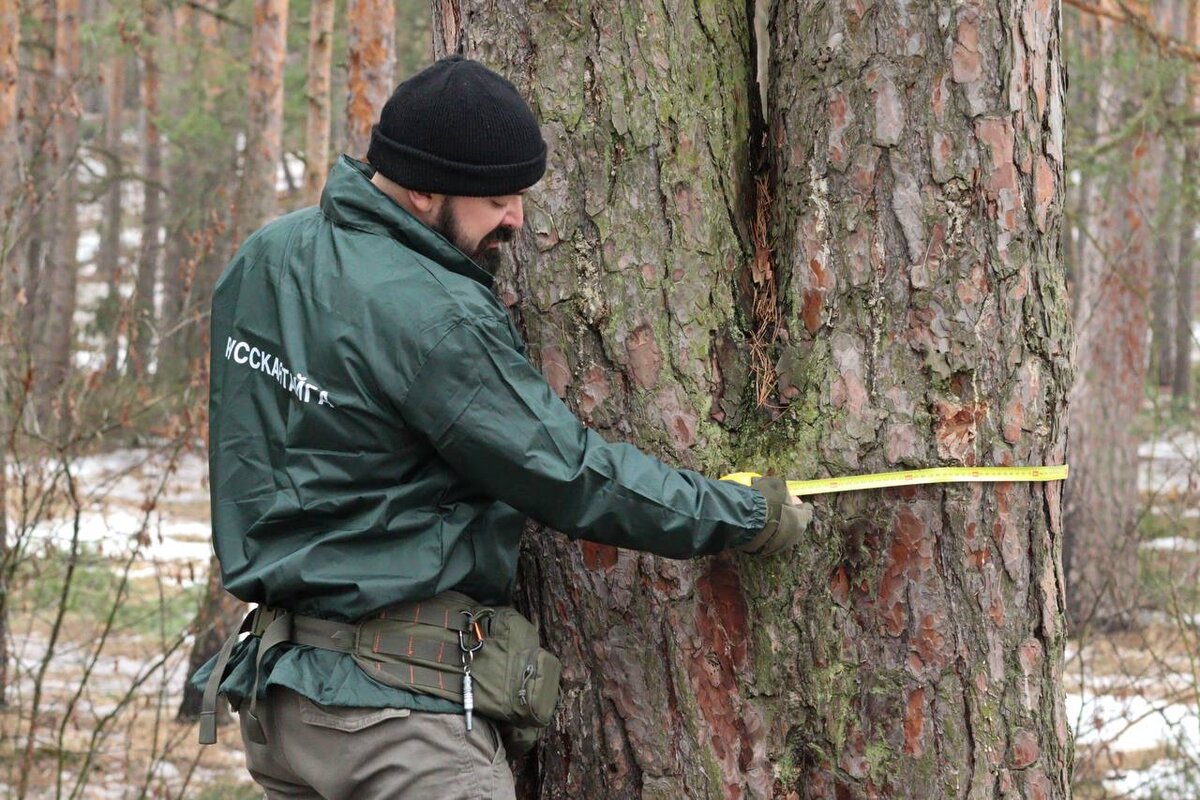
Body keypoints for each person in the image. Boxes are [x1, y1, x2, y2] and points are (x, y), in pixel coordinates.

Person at [193, 55, 811, 800]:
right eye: (496, 198)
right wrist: (742, 513)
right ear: (422, 188)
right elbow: (568, 474)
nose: (516, 218)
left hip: (281, 712)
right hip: (394, 728)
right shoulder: (432, 315)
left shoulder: (270, 255)